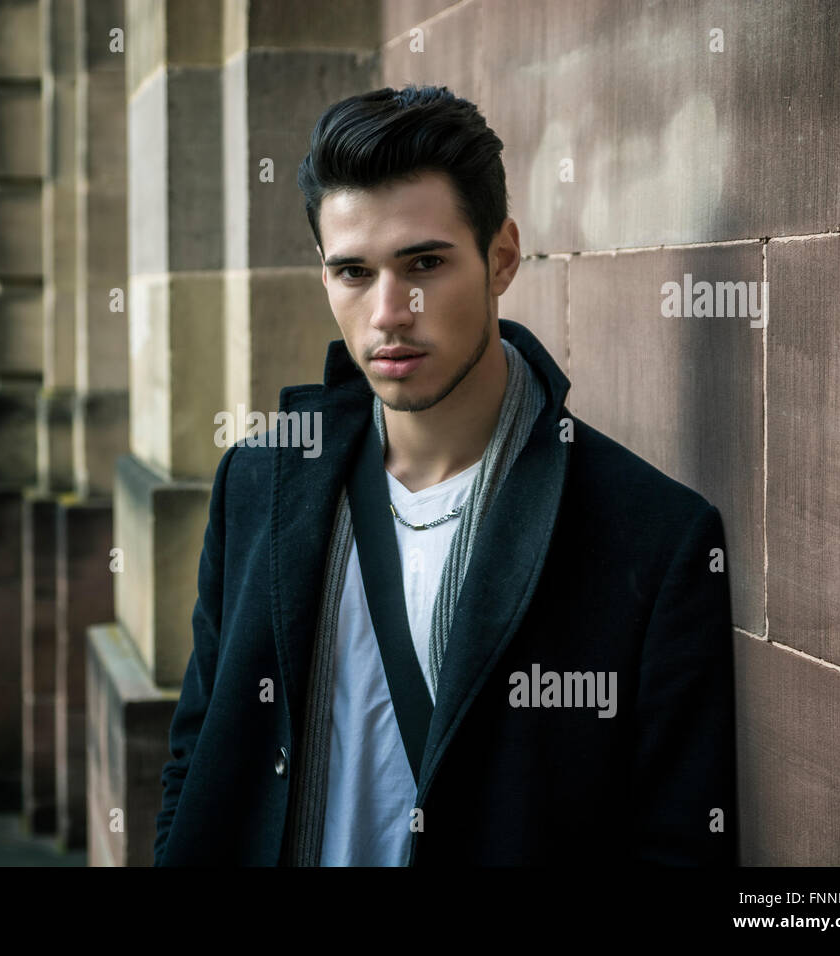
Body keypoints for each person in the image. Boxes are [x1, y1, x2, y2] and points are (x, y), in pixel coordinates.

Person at [153, 84, 738, 866]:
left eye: (424, 263)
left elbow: (678, 845)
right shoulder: (258, 484)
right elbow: (197, 758)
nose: (389, 311)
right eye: (353, 272)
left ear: (501, 258)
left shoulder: (651, 536)